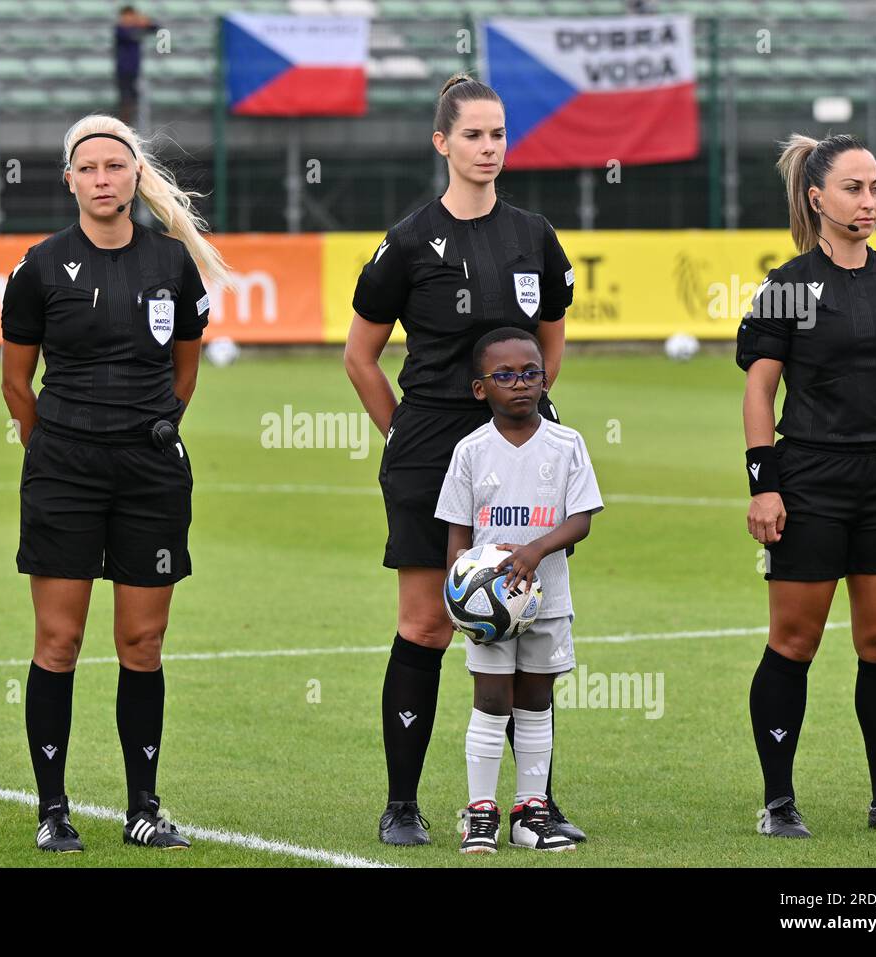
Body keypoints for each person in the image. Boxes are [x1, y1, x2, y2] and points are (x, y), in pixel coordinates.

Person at [345, 72, 582, 846]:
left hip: (517, 451)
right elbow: (360, 356)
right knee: (427, 626)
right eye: (474, 135)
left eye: (499, 134)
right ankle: (402, 803)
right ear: (442, 142)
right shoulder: (409, 240)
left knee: (520, 620)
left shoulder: (533, 233)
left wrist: (527, 408)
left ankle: (532, 804)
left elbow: (550, 332)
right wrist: (403, 437)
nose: (489, 148)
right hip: (429, 449)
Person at [0, 113, 230, 852]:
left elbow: (185, 367)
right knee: (59, 640)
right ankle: (52, 808)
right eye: (88, 168)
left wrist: (150, 428)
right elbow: (15, 380)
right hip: (64, 472)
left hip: (150, 472)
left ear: (136, 175)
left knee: (143, 641)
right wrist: (61, 447)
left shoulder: (171, 263)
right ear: (68, 178)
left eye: (116, 166)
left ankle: (142, 806)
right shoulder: (38, 267)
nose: (103, 180)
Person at [738, 132, 876, 838]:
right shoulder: (787, 285)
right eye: (855, 188)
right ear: (817, 196)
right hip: (810, 480)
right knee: (793, 641)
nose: (869, 201)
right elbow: (759, 394)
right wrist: (763, 483)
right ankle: (778, 801)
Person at [436, 328, 601, 853]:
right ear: (480, 389)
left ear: (545, 379)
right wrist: (465, 585)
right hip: (490, 607)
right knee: (490, 701)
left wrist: (533, 551)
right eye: (504, 376)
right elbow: (457, 538)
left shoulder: (566, 442)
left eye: (530, 373)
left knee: (536, 701)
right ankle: (479, 814)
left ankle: (531, 813)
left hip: (546, 600)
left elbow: (582, 520)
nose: (520, 384)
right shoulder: (469, 451)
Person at [115, 5, 160, 126]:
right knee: (125, 99)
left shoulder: (134, 28)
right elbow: (132, 35)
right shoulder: (120, 29)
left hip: (135, 70)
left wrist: (145, 21)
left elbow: (157, 28)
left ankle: (131, 124)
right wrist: (140, 23)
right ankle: (124, 125)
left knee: (134, 98)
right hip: (123, 70)